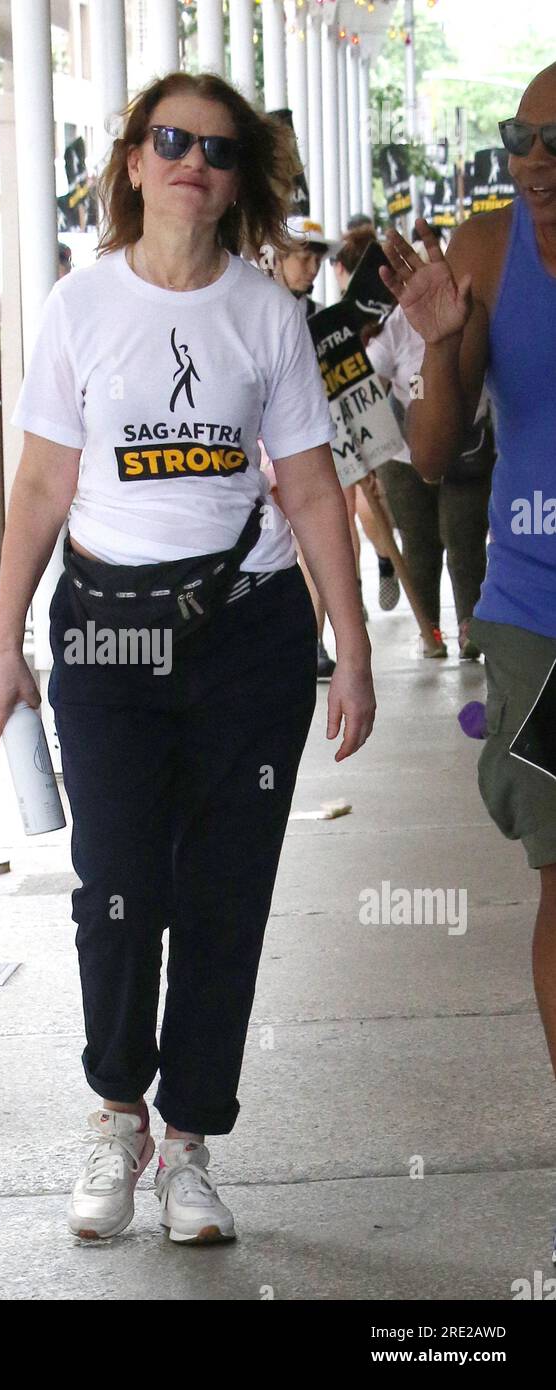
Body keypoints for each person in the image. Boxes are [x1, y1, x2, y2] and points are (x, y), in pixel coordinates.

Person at [0, 71, 375, 1245]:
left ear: (238, 177)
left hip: (245, 635)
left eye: (217, 147)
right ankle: (116, 1116)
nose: (193, 160)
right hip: (106, 630)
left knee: (221, 897)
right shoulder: (80, 307)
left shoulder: (265, 312)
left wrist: (350, 648)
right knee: (117, 890)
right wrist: (2, 643)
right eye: (172, 140)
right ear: (136, 163)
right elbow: (42, 483)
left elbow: (310, 485)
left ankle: (190, 1142)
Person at [381, 64, 556, 1260]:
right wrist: (444, 346)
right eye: (522, 137)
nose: (535, 159)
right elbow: (433, 454)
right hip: (536, 617)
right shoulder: (490, 248)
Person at [365, 290, 493, 659]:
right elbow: (368, 373)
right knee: (419, 544)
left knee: (464, 538)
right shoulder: (397, 322)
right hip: (405, 454)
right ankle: (429, 627)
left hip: (468, 448)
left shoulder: (476, 314)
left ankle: (471, 624)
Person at [331, 228, 401, 617]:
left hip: (362, 415)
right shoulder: (383, 311)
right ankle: (382, 563)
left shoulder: (337, 317)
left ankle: (367, 579)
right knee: (359, 503)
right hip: (380, 413)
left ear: (342, 269)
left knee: (356, 505)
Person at [270, 214, 337, 317]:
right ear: (279, 257)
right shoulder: (255, 312)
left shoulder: (324, 318)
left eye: (318, 261)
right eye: (305, 259)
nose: (314, 270)